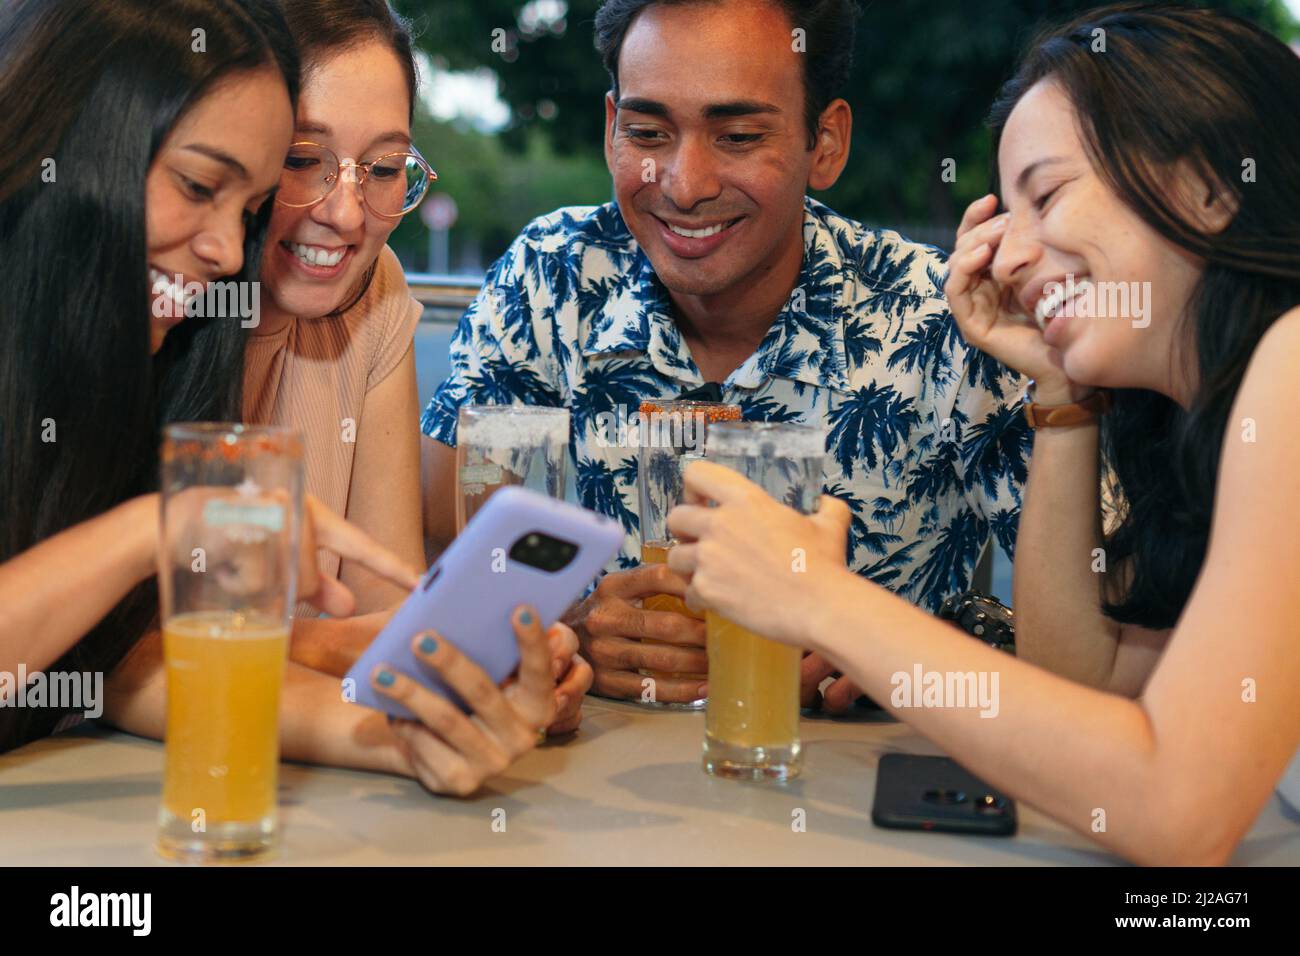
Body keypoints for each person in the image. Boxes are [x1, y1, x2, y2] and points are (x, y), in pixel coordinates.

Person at [666, 3, 1300, 864]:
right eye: (1009, 216)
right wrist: (1056, 386)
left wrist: (815, 594)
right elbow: (1087, 684)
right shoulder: (1205, 425)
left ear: (1210, 188)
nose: (1005, 258)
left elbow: (1172, 810)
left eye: (1048, 194)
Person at [0, 0, 566, 796]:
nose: (229, 246)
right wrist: (162, 529)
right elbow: (109, 650)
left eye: (249, 204)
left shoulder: (162, 321)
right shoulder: (152, 321)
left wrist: (435, 679)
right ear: (83, 137)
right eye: (301, 163)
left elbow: (123, 644)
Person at [419, 0, 1030, 707]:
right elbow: (454, 572)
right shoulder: (549, 282)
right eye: (648, 133)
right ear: (611, 129)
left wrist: (892, 650)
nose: (686, 184)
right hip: (578, 795)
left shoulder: (942, 319)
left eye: (738, 136)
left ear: (825, 143)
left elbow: (1096, 650)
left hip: (843, 797)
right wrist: (565, 637)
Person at [246, 0, 592, 734]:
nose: (346, 213)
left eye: (381, 169)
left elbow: (388, 606)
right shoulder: (153, 302)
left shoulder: (377, 289)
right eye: (304, 159)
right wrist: (329, 650)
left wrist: (488, 669)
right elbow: (100, 648)